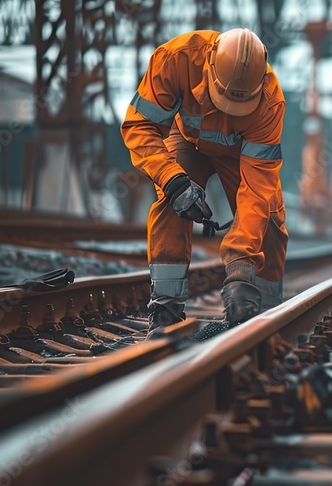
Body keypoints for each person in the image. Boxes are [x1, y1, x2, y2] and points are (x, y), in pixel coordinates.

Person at [122, 28, 288, 333]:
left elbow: (256, 191)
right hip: (187, 140)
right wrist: (173, 181)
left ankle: (263, 313)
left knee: (269, 220)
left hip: (238, 154)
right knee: (171, 205)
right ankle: (165, 310)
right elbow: (140, 126)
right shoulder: (175, 60)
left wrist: (241, 269)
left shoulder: (270, 103)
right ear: (208, 66)